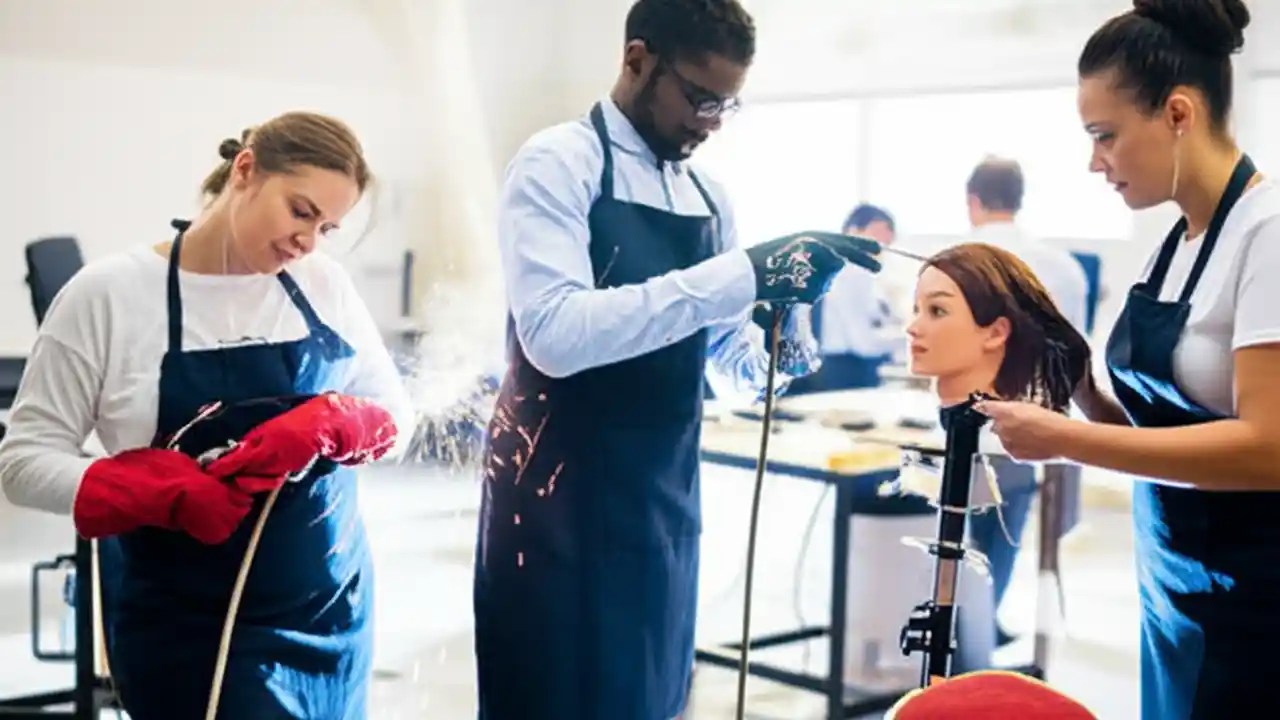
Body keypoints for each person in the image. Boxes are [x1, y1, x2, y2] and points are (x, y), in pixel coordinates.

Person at [471, 1, 882, 718]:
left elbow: (737, 369)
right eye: (698, 97)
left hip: (661, 508)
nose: (710, 122)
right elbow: (555, 335)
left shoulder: (707, 197)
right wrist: (741, 276)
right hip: (551, 511)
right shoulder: (557, 163)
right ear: (637, 60)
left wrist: (794, 309)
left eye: (728, 105)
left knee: (649, 699)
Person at [0, 111, 411, 719]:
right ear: (245, 170)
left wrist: (341, 423)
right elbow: (22, 462)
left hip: (327, 605)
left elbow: (396, 418)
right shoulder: (110, 295)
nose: (309, 241)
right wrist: (157, 490)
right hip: (192, 626)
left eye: (327, 227)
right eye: (300, 211)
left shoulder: (323, 284)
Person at [978, 2, 1280, 718]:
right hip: (1172, 586)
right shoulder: (1173, 246)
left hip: (1252, 601)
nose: (1094, 161)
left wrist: (1065, 443)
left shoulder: (1267, 236)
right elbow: (1159, 440)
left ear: (1178, 113)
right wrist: (1076, 379)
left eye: (1104, 135)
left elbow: (1269, 448)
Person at [960, 156, 1091, 648]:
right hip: (1036, 426)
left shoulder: (958, 261)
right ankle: (983, 623)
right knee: (1004, 530)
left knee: (954, 534)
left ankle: (965, 633)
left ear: (973, 201)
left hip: (963, 424)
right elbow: (1075, 359)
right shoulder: (1064, 268)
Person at [791, 203, 905, 393]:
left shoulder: (834, 268)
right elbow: (864, 344)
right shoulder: (853, 272)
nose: (881, 247)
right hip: (849, 371)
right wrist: (907, 339)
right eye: (876, 236)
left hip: (831, 368)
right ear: (852, 231)